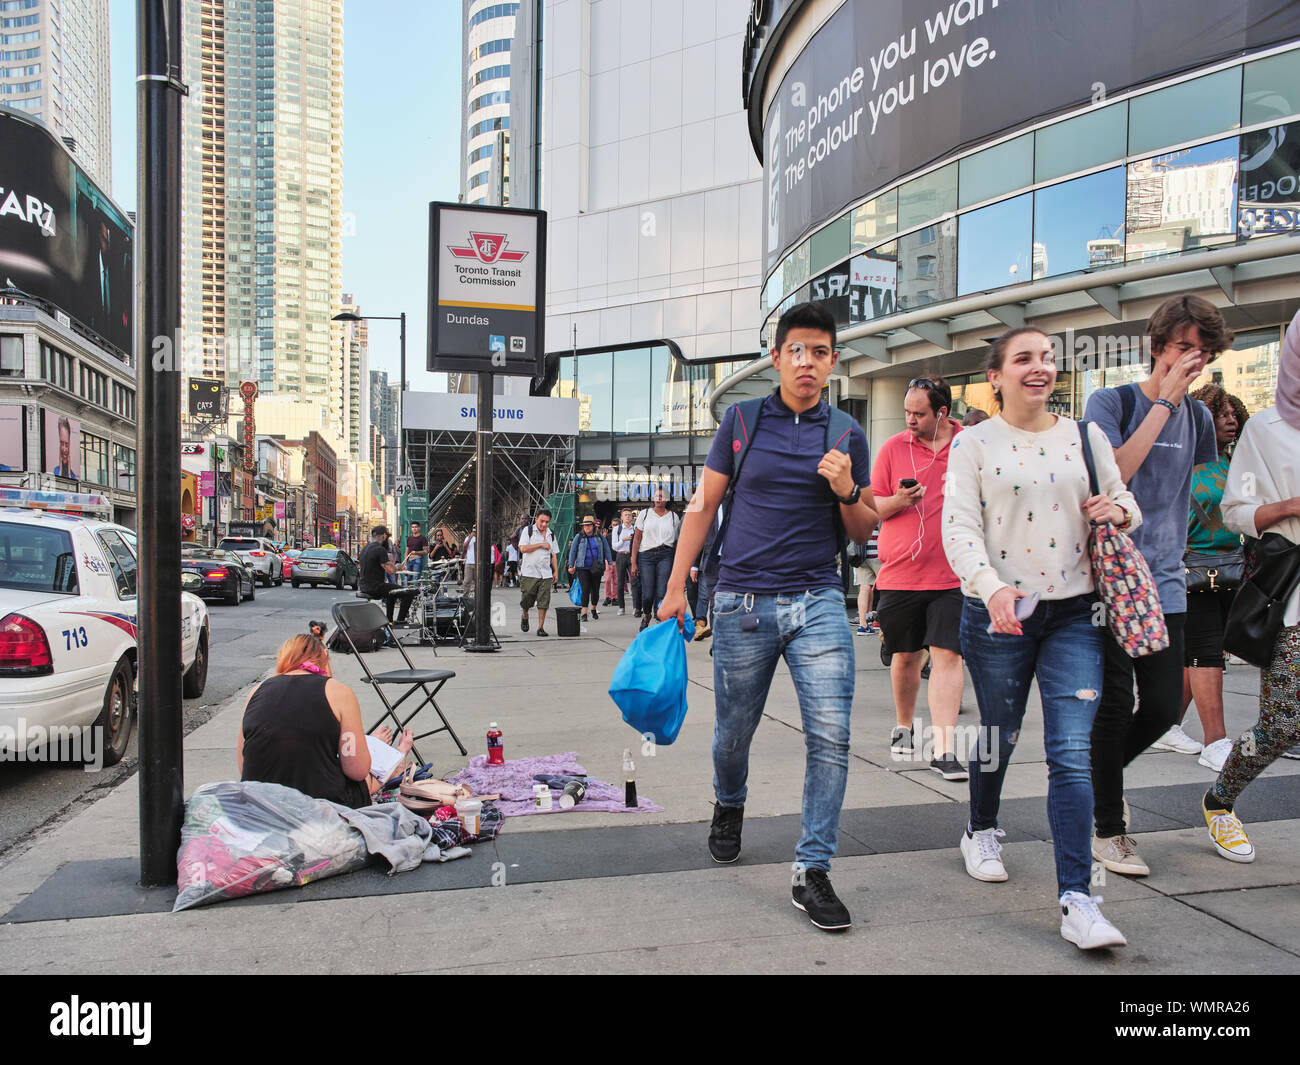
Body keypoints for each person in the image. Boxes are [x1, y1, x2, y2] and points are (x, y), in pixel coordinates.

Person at [659, 301, 877, 932]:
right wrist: (676, 588)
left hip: (819, 602)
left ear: (833, 361)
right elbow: (702, 507)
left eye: (820, 352)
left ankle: (813, 869)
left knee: (831, 737)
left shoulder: (847, 433)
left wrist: (846, 490)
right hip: (743, 604)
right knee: (732, 735)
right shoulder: (742, 420)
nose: (807, 362)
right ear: (776, 357)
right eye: (796, 351)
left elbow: (863, 528)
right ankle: (729, 802)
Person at [944, 327, 1141, 950]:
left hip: (1077, 614)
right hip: (999, 614)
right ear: (996, 376)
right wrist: (991, 587)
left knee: (1071, 753)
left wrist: (1119, 512)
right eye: (1024, 358)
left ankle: (1079, 900)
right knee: (998, 733)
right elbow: (959, 528)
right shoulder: (974, 442)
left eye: (1049, 358)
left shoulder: (1085, 435)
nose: (1041, 367)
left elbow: (1125, 501)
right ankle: (980, 828)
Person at [1083, 294, 1229, 878]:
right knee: (1115, 706)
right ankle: (1107, 828)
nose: (1194, 359)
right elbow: (1113, 474)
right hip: (1108, 580)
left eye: (1204, 351)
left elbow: (1194, 490)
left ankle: (1091, 784)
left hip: (1166, 580)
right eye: (1184, 347)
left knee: (1165, 707)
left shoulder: (1199, 420)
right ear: (1157, 345)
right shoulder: (1111, 401)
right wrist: (1164, 402)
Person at [1205, 309, 1300, 860]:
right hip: (1291, 594)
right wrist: (1288, 507)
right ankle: (1220, 800)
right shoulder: (1265, 430)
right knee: (1283, 724)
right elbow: (1235, 511)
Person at [869, 375, 968, 780]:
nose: (909, 419)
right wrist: (899, 500)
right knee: (906, 656)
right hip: (900, 575)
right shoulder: (893, 448)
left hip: (954, 576)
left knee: (948, 655)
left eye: (918, 413)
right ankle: (904, 725)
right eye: (906, 412)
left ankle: (944, 749)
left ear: (942, 412)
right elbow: (871, 507)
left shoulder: (968, 445)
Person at [1149, 384, 1249, 771]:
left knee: (1197, 652)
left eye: (1233, 413)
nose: (1230, 420)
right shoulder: (1181, 461)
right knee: (1206, 652)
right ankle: (1215, 742)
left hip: (1231, 565)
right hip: (1191, 567)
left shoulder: (1235, 461)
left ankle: (1165, 725)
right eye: (1220, 413)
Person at [237, 633, 413, 807]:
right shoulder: (338, 691)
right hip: (321, 803)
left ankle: (376, 747)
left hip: (260, 803)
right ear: (325, 655)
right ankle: (393, 762)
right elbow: (357, 771)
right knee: (364, 778)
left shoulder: (255, 691)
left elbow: (244, 764)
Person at [631, 488, 681, 631]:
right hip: (646, 556)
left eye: (662, 496)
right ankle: (647, 614)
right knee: (647, 594)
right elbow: (637, 539)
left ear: (667, 499)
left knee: (661, 592)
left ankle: (660, 619)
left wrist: (678, 564)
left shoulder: (673, 517)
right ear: (653, 498)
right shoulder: (645, 514)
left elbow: (677, 542)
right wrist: (633, 562)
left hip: (666, 554)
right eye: (657, 496)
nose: (659, 498)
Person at [358, 525, 416, 623]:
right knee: (408, 593)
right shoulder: (380, 549)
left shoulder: (365, 548)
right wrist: (398, 567)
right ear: (384, 536)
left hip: (363, 586)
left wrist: (393, 566)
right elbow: (391, 571)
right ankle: (400, 621)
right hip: (375, 587)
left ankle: (389, 621)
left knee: (392, 592)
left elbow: (382, 565)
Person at [518, 508, 560, 636]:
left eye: (547, 522)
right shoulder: (528, 531)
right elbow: (523, 549)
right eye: (542, 521)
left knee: (544, 601)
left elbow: (554, 554)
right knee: (527, 599)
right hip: (529, 573)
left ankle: (540, 627)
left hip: (545, 573)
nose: (544, 524)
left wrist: (556, 571)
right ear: (536, 519)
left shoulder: (551, 534)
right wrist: (540, 545)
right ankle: (525, 615)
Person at [568, 516, 613, 622]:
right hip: (582, 567)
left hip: (597, 567)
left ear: (593, 526)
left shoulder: (599, 536)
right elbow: (573, 551)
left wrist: (610, 562)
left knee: (595, 590)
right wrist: (571, 565)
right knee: (585, 589)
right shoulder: (579, 537)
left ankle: (593, 608)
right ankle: (584, 613)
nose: (587, 527)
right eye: (585, 525)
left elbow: (606, 549)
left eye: (589, 525)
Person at [611, 508, 640, 617]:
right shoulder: (617, 529)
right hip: (620, 555)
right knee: (620, 582)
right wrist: (623, 540)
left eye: (629, 515)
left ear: (632, 518)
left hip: (632, 556)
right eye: (625, 515)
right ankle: (621, 607)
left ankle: (636, 607)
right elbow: (614, 546)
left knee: (634, 581)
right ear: (622, 518)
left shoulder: (635, 529)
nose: (628, 516)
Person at [854, 524, 881, 635]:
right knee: (886, 588)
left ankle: (863, 625)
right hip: (879, 554)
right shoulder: (880, 513)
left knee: (864, 588)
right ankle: (878, 621)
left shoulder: (860, 514)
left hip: (862, 555)